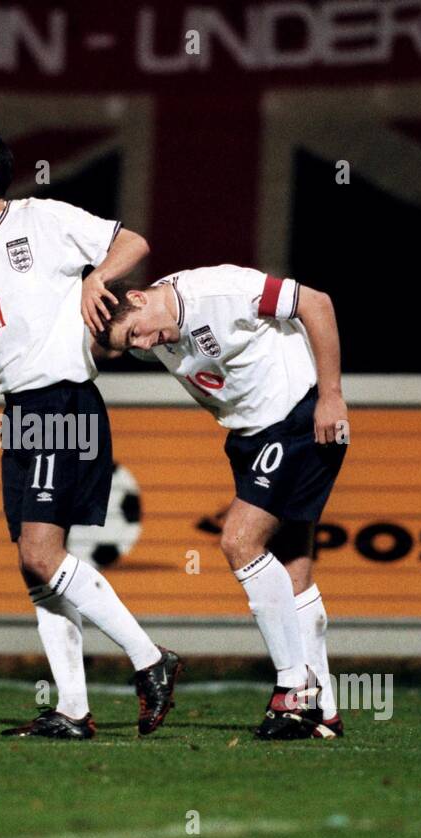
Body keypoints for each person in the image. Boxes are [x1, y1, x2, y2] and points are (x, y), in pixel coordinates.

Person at [0, 126, 183, 739]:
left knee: (41, 554)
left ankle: (151, 661)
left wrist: (98, 277)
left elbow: (133, 242)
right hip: (21, 411)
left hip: (63, 403)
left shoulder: (43, 219)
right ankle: (72, 710)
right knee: (32, 566)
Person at [92, 265, 348, 739]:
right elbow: (85, 346)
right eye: (133, 346)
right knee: (294, 567)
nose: (145, 346)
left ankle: (294, 691)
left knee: (239, 540)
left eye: (137, 334)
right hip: (251, 436)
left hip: (297, 418)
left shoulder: (220, 290)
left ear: (142, 298)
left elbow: (318, 303)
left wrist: (331, 396)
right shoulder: (153, 328)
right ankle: (324, 713)